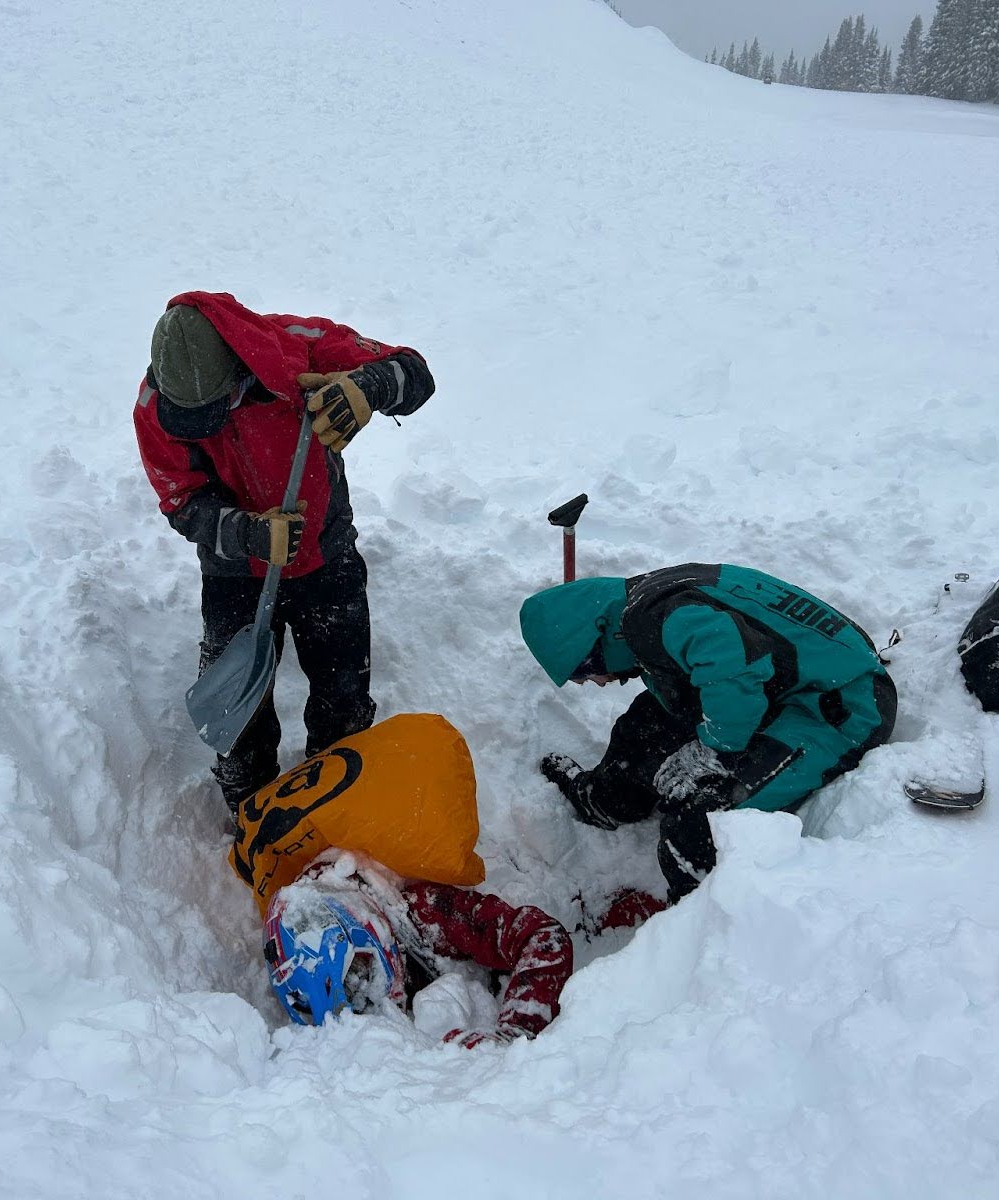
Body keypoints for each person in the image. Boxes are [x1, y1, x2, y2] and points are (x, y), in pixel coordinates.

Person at [134, 292, 434, 811]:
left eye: (216, 409)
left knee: (343, 696)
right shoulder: (155, 407)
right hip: (235, 572)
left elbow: (415, 374)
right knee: (239, 708)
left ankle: (338, 794)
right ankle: (249, 805)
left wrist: (370, 385)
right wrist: (245, 533)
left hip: (326, 552)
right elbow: (180, 501)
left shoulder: (297, 347)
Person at [521, 564, 897, 902]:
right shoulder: (641, 607)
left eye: (584, 672)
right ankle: (605, 801)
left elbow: (734, 667)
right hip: (782, 685)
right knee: (643, 728)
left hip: (837, 705)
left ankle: (696, 926)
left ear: (599, 638)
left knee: (700, 822)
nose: (594, 684)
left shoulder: (661, 616)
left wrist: (715, 750)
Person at [263, 848, 574, 1047]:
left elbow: (543, 937)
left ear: (372, 936)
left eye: (360, 975)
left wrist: (517, 1028)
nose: (369, 998)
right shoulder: (302, 945)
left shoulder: (426, 912)